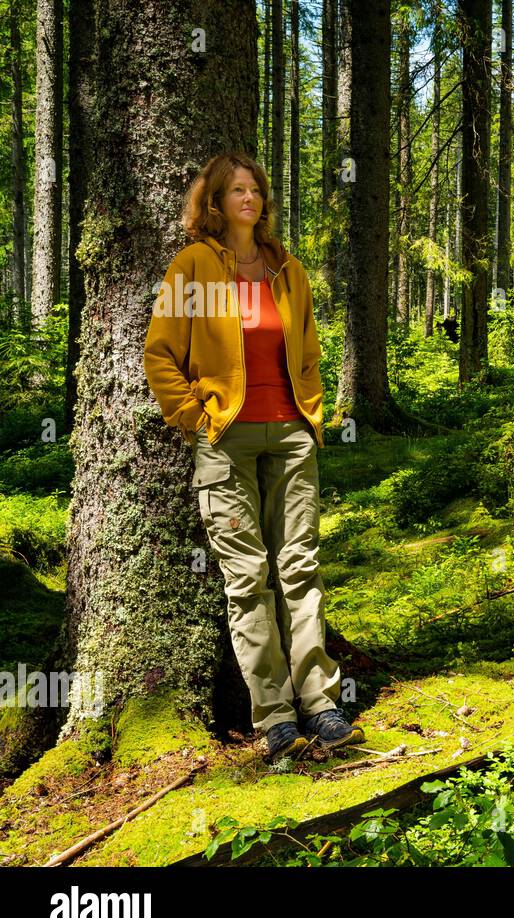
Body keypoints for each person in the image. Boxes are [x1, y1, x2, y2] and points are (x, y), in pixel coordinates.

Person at [143, 151, 364, 764]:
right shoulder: (191, 268)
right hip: (227, 438)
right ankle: (275, 717)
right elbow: (160, 354)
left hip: (291, 434)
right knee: (248, 580)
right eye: (236, 190)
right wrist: (196, 417)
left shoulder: (286, 268)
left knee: (299, 569)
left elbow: (309, 350)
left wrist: (312, 410)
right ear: (214, 202)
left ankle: (321, 705)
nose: (249, 198)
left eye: (256, 189)